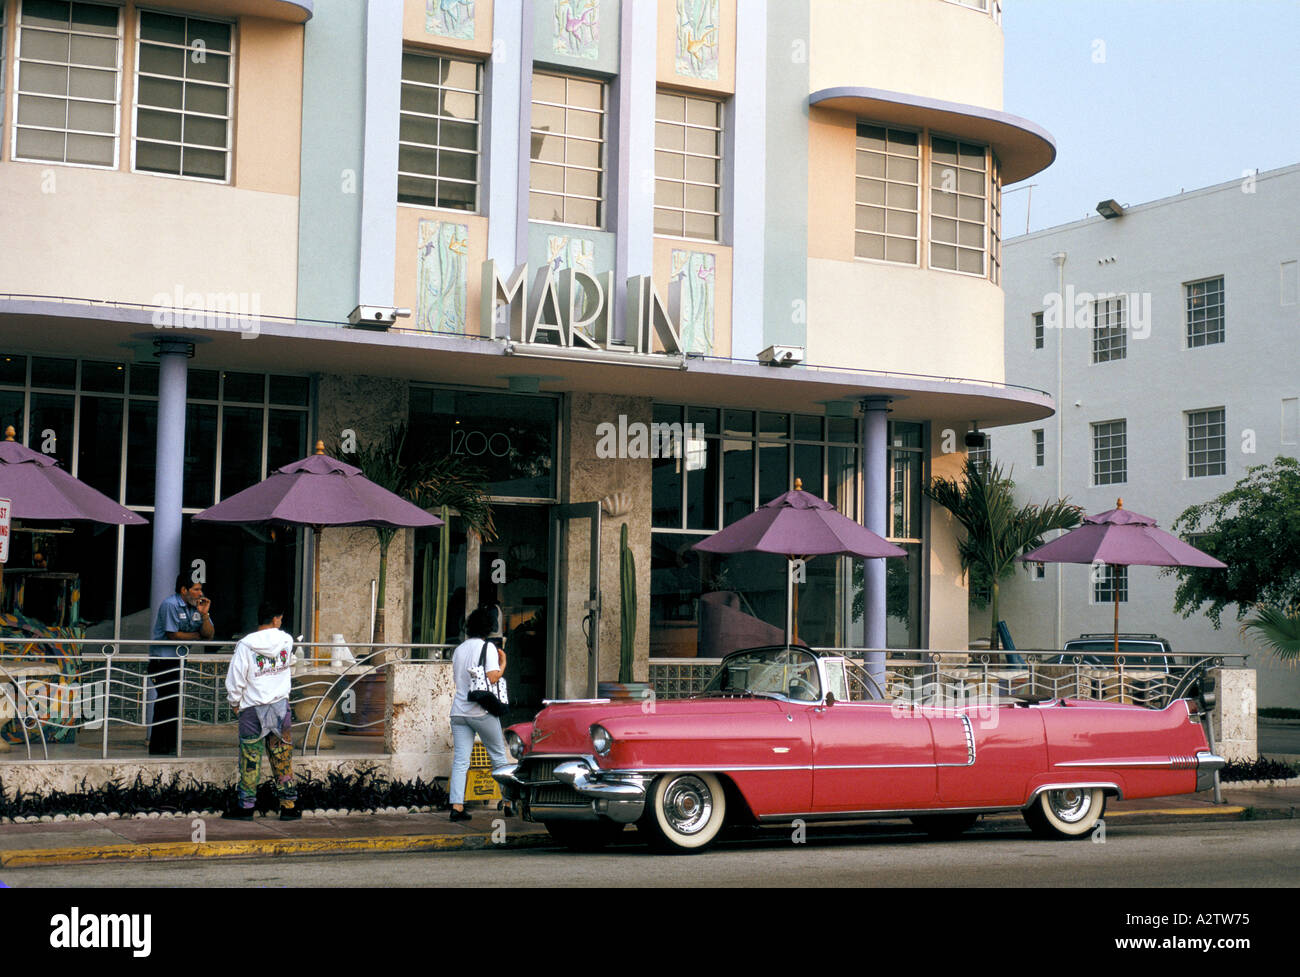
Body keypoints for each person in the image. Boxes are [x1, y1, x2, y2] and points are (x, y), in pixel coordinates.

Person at [223, 602, 299, 820]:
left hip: (251, 709)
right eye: (280, 618)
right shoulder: (286, 640)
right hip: (280, 707)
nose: (281, 622)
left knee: (250, 759)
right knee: (282, 757)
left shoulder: (245, 645)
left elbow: (236, 677)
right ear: (275, 619)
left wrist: (234, 703)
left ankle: (246, 807)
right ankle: (289, 806)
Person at [448, 607, 510, 822]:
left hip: (458, 711)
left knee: (460, 761)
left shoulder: (459, 649)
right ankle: (509, 802)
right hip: (481, 711)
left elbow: (458, 679)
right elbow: (492, 678)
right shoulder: (488, 648)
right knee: (498, 757)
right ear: (489, 627)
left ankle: (457, 806)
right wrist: (503, 663)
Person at [148, 575, 214, 756]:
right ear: (184, 590)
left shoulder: (197, 607)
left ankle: (171, 744)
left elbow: (209, 634)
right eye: (196, 589)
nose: (200, 593)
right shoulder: (170, 604)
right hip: (163, 660)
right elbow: (173, 635)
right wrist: (197, 636)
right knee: (165, 701)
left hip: (179, 661)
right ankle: (158, 746)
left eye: (201, 589)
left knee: (175, 702)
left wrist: (204, 615)